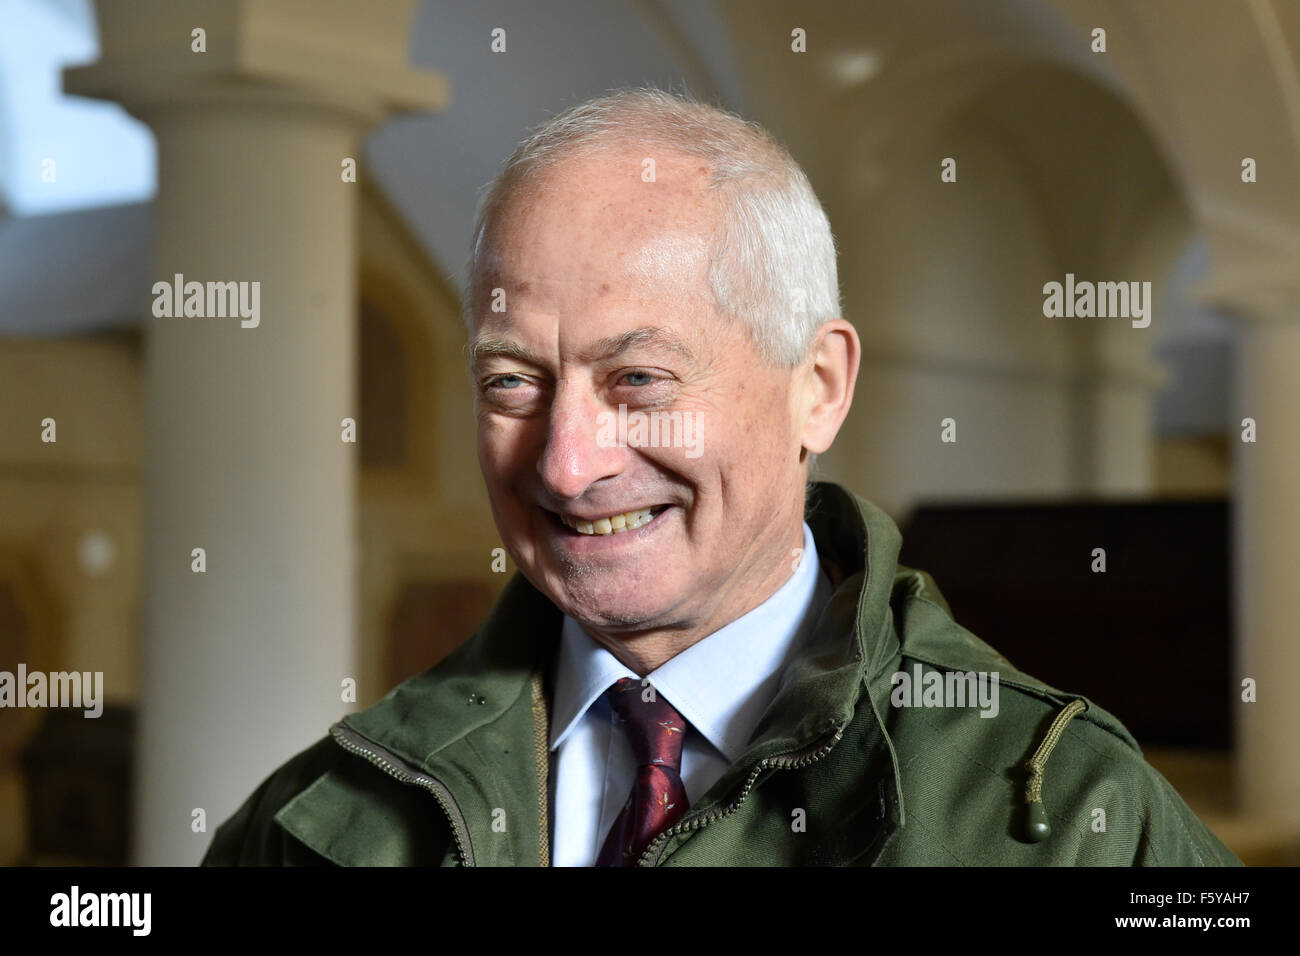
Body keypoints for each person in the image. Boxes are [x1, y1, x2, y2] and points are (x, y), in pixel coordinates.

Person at [202, 88, 1240, 867]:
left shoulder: (1064, 818)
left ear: (817, 387)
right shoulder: (323, 817)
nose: (568, 464)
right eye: (512, 381)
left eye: (640, 377)